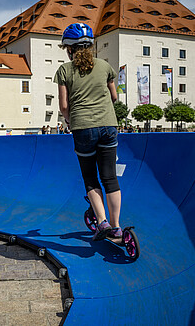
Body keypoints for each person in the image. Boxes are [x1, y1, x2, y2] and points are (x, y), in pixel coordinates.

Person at [54, 23, 122, 241]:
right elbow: (114, 97)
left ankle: (102, 222)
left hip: (83, 127)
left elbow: (64, 106)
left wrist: (69, 120)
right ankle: (117, 227)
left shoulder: (65, 70)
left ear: (70, 49)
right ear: (90, 46)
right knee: (110, 177)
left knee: (90, 178)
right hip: (109, 125)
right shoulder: (105, 66)